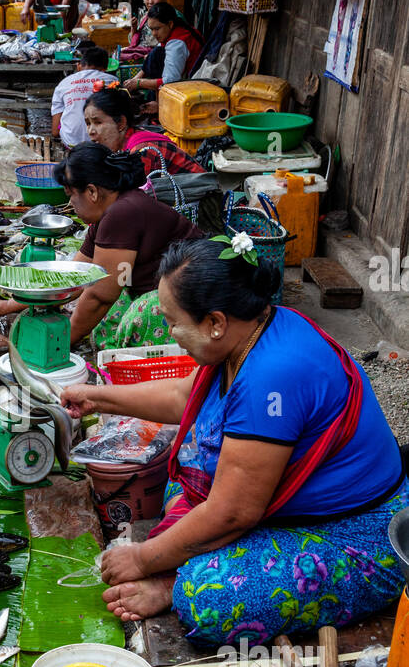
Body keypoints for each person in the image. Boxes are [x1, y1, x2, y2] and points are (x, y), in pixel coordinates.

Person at [60, 238, 409, 642]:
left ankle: (178, 579)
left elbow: (233, 513)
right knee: (187, 465)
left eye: (175, 322)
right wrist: (97, 396)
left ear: (215, 323)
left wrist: (141, 558)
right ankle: (190, 553)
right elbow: (182, 396)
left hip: (356, 531)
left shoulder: (272, 376)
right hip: (272, 502)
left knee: (206, 598)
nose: (172, 334)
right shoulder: (256, 327)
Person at [0, 144, 200, 350]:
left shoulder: (123, 213)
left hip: (192, 298)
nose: (70, 203)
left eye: (71, 194)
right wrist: (8, 306)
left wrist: (60, 345)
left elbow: (100, 296)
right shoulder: (110, 212)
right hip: (155, 288)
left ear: (92, 191)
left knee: (115, 303)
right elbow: (72, 276)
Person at [84, 86, 206, 177]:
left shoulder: (143, 151)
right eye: (88, 123)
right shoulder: (128, 144)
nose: (91, 131)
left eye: (98, 122)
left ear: (121, 123)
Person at [127, 2, 203, 93]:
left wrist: (139, 83)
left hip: (195, 85)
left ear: (170, 24)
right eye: (151, 29)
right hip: (186, 75)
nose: (154, 34)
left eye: (157, 29)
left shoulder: (177, 43)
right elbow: (156, 51)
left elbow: (170, 82)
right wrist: (136, 79)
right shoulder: (176, 30)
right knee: (154, 53)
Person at [50, 43, 116, 147]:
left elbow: (55, 132)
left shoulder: (63, 83)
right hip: (104, 144)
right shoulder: (112, 81)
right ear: (106, 68)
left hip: (72, 143)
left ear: (79, 66)